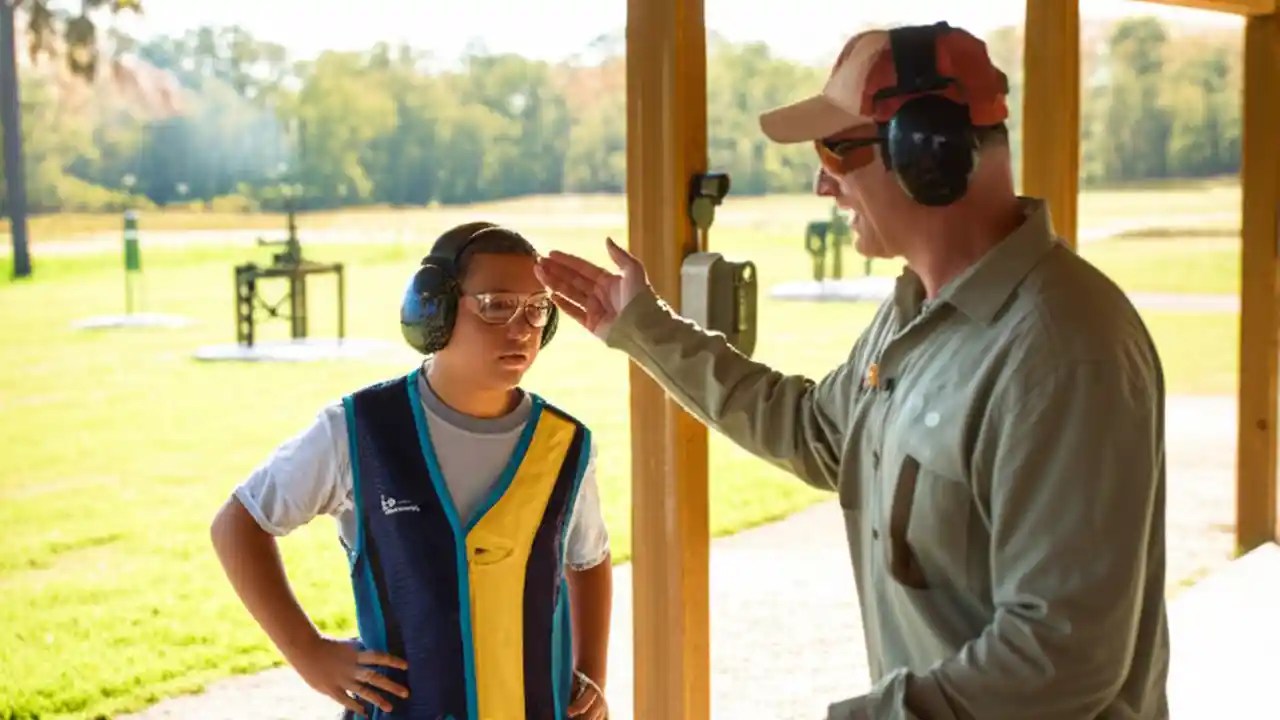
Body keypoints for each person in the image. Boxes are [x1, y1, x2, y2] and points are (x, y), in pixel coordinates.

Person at [535, 21, 1168, 720]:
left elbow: (1061, 658)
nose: (821, 184)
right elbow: (816, 431)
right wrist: (643, 329)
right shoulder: (914, 316)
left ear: (929, 154)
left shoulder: (1063, 350)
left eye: (838, 151)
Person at [211, 222, 614, 720]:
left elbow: (588, 557)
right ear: (434, 311)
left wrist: (591, 672)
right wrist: (309, 654)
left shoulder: (566, 444)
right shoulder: (360, 430)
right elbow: (238, 523)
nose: (521, 328)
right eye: (495, 305)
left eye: (536, 309)